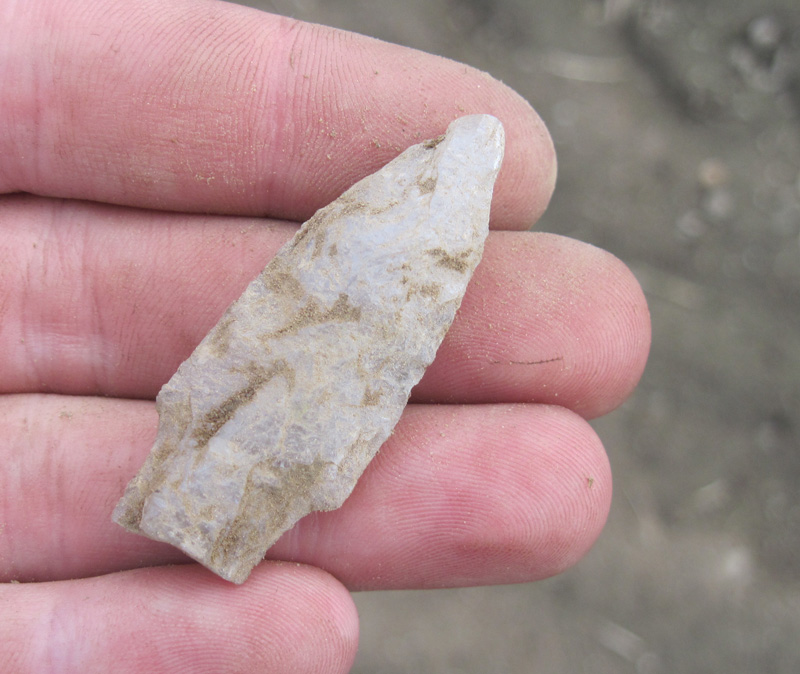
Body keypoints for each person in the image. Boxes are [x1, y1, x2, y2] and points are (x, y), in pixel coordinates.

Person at [0, 0, 650, 671]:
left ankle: (205, 507)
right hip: (264, 408)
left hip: (313, 392)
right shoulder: (404, 221)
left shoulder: (424, 233)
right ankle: (194, 503)